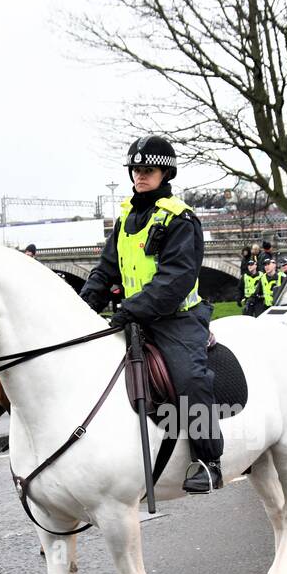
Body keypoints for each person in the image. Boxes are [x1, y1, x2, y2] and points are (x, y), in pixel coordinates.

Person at [78, 135, 223, 493]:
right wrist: (81, 308)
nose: (140, 176)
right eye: (136, 170)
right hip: (135, 318)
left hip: (177, 320)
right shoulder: (127, 215)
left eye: (148, 170)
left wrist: (129, 310)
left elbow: (174, 280)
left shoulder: (180, 219)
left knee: (190, 379)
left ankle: (209, 460)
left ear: (165, 172)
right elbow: (106, 269)